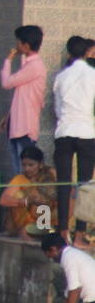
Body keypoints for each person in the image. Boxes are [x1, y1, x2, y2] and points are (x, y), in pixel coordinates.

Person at [52, 36, 95, 236]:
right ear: (87, 52)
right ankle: (80, 232)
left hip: (64, 131)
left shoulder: (61, 77)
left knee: (63, 183)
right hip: (87, 131)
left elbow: (58, 110)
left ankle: (62, 230)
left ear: (69, 53)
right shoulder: (92, 75)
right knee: (84, 184)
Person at [42, 231, 95, 303]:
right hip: (88, 302)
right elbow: (68, 299)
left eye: (48, 255)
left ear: (53, 249)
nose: (50, 259)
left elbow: (75, 290)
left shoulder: (68, 258)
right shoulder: (72, 255)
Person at [0, 146, 57, 238]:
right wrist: (27, 201)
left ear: (41, 164)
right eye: (24, 165)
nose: (27, 169)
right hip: (28, 224)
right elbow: (3, 200)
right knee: (18, 195)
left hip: (51, 219)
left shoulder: (51, 174)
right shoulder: (20, 179)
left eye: (31, 165)